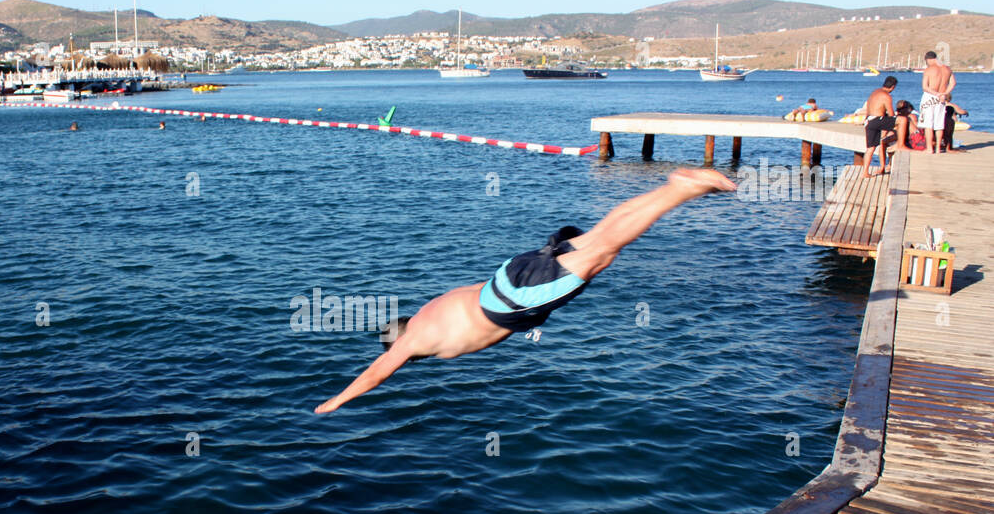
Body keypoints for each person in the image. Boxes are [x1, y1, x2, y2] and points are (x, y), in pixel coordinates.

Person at [313, 169, 737, 414]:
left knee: (604, 249)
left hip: (515, 298)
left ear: (402, 341)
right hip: (506, 275)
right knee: (600, 241)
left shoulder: (417, 341)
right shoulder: (429, 311)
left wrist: (335, 401)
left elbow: (378, 371)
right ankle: (674, 186)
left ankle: (683, 189)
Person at [861, 76, 905, 178]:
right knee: (902, 120)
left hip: (869, 121)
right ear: (893, 87)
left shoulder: (875, 92)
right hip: (877, 120)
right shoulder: (886, 96)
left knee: (870, 148)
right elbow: (891, 114)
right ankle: (901, 144)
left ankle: (865, 172)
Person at [920, 50, 955, 154]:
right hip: (942, 98)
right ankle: (938, 148)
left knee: (928, 124)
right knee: (939, 124)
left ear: (928, 59)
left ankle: (929, 148)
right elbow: (953, 83)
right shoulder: (947, 69)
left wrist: (936, 94)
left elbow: (925, 87)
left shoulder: (929, 70)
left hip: (930, 96)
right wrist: (944, 93)